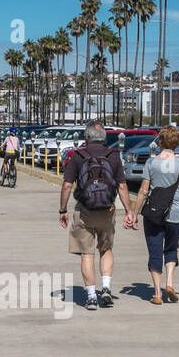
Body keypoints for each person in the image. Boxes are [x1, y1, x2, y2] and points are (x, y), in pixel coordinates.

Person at [59, 122, 134, 310]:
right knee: (106, 249)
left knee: (87, 254)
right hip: (107, 211)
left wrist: (63, 210)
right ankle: (106, 288)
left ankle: (92, 297)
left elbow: (67, 185)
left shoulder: (78, 156)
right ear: (104, 137)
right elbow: (122, 186)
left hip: (85, 211)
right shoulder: (113, 156)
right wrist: (129, 211)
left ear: (86, 137)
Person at [131, 124, 179, 304]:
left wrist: (135, 214)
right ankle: (170, 283)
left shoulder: (151, 163)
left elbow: (143, 191)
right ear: (176, 143)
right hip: (176, 213)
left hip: (154, 213)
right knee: (171, 249)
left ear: (160, 141)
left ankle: (157, 293)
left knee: (155, 250)